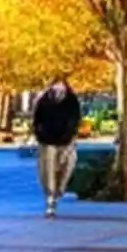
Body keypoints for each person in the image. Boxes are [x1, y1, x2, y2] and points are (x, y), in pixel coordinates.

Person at [31, 77, 82, 218]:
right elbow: (36, 120)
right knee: (48, 170)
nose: (58, 88)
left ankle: (59, 191)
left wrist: (71, 135)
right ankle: (50, 199)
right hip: (47, 141)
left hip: (66, 142)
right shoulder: (43, 100)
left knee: (68, 166)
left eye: (61, 85)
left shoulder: (72, 101)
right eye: (55, 85)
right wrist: (39, 134)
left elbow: (76, 120)